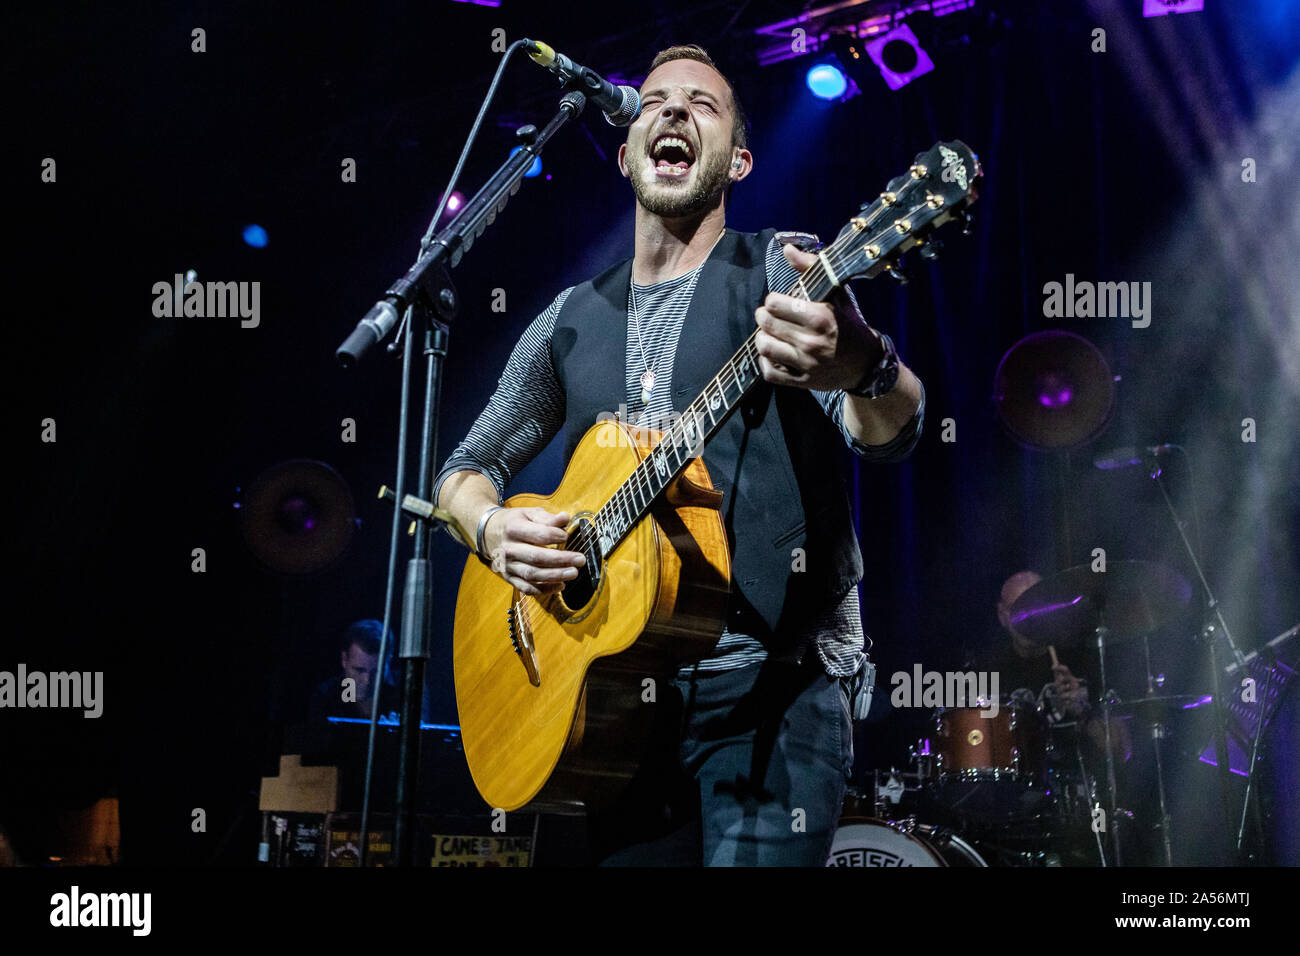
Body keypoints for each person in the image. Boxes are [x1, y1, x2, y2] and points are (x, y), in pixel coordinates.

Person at [434, 45, 925, 865]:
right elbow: (463, 469)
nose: (671, 111)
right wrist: (488, 529)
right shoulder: (569, 318)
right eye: (655, 101)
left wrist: (863, 364)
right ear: (625, 151)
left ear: (738, 159)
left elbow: (893, 432)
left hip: (776, 687)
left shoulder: (779, 271)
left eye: (702, 105)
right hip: (614, 704)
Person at [307, 619, 400, 723]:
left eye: (376, 672)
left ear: (389, 661)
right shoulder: (327, 696)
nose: (367, 681)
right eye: (359, 670)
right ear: (344, 659)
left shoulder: (406, 692)